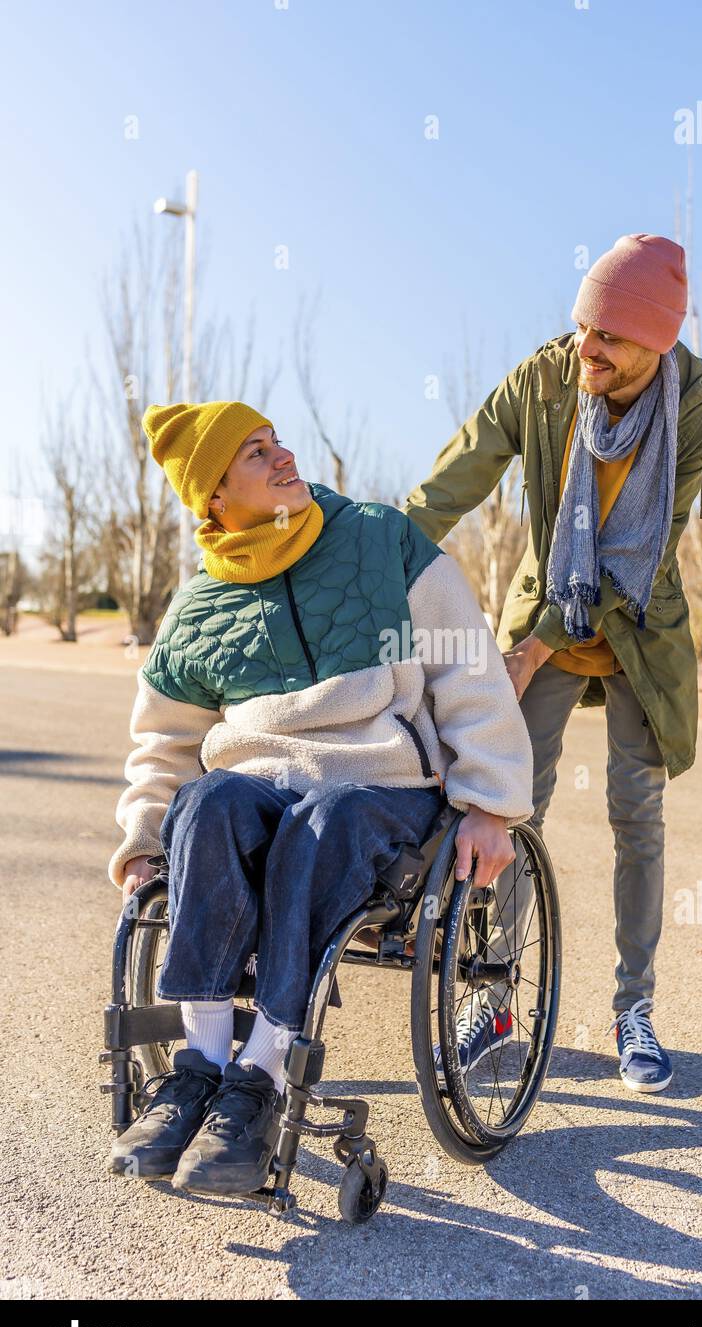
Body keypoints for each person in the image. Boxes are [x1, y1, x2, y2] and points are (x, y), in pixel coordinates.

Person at [107, 400, 534, 1194]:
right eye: (254, 454)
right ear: (214, 500)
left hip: (382, 788)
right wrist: (140, 841)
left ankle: (261, 1075)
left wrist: (491, 802)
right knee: (204, 805)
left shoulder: (378, 539)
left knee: (324, 820)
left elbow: (466, 671)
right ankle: (200, 1068)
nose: (282, 457)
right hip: (259, 789)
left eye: (275, 441)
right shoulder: (199, 607)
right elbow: (165, 741)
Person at [405, 234, 702, 1093]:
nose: (584, 347)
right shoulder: (545, 380)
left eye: (608, 338)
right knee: (507, 803)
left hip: (634, 626)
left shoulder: (697, 410)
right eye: (582, 325)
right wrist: (371, 562)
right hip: (542, 605)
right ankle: (496, 993)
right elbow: (450, 484)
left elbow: (640, 553)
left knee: (637, 814)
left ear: (654, 345)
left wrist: (534, 649)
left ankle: (635, 1010)